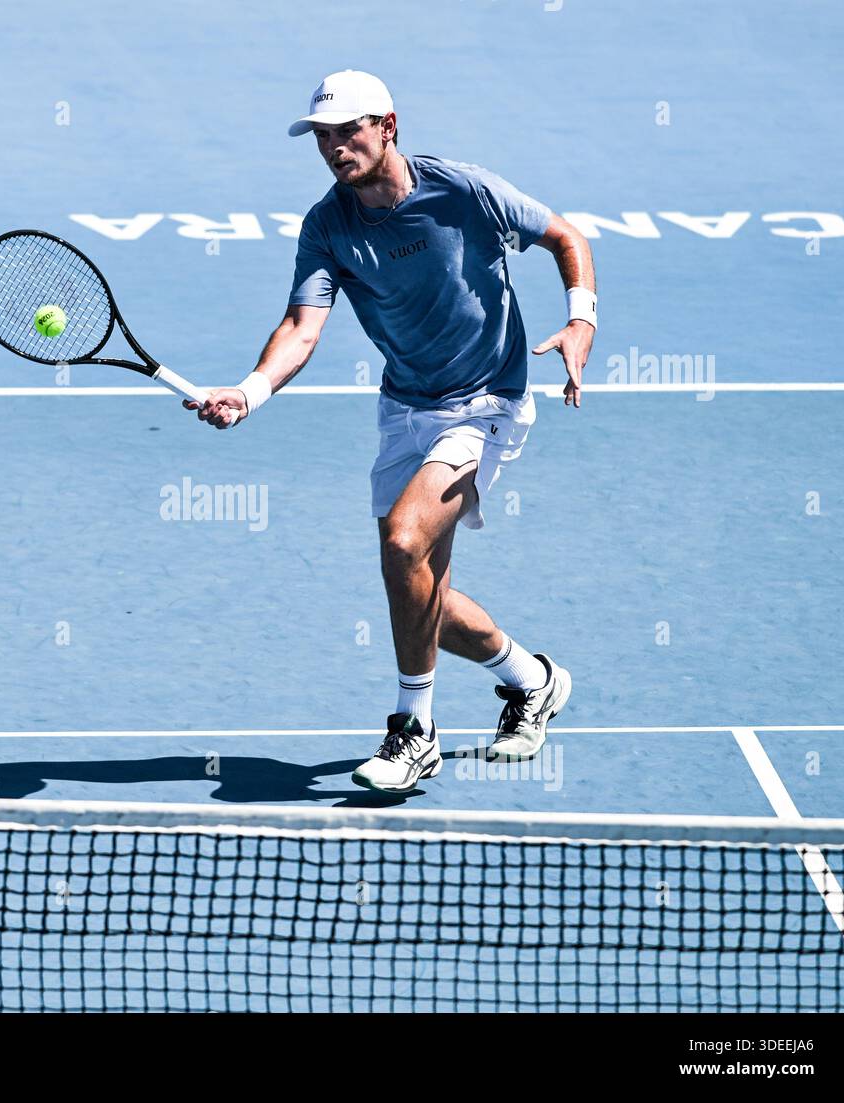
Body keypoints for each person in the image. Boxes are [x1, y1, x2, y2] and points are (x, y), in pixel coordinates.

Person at [186, 70, 597, 793]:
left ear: (388, 126)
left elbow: (565, 235)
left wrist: (581, 317)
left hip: (488, 398)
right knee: (415, 589)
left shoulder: (464, 191)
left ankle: (415, 730)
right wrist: (249, 394)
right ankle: (533, 680)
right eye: (322, 136)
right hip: (406, 403)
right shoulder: (328, 226)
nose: (335, 147)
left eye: (348, 130)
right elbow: (301, 327)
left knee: (406, 539)